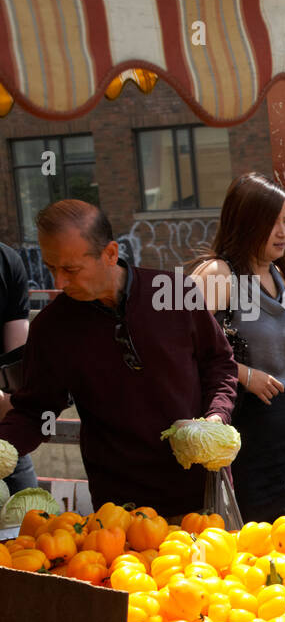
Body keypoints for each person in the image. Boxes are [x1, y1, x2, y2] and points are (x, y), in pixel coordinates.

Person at [0, 200, 238, 517]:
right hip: (119, 511)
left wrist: (215, 419)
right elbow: (35, 411)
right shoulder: (51, 328)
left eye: (70, 269)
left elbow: (219, 365)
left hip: (201, 496)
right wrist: (5, 447)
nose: (59, 282)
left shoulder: (176, 293)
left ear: (110, 254)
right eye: (51, 268)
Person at [192, 173, 285, 524]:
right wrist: (245, 374)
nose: (282, 232)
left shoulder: (280, 277)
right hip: (237, 447)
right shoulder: (218, 274)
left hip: (282, 450)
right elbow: (181, 347)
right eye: (271, 223)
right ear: (247, 223)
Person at [1, 241, 38, 492]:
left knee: (30, 518)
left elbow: (15, 366)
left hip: (2, 432)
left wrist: (13, 398)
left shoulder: (7, 260)